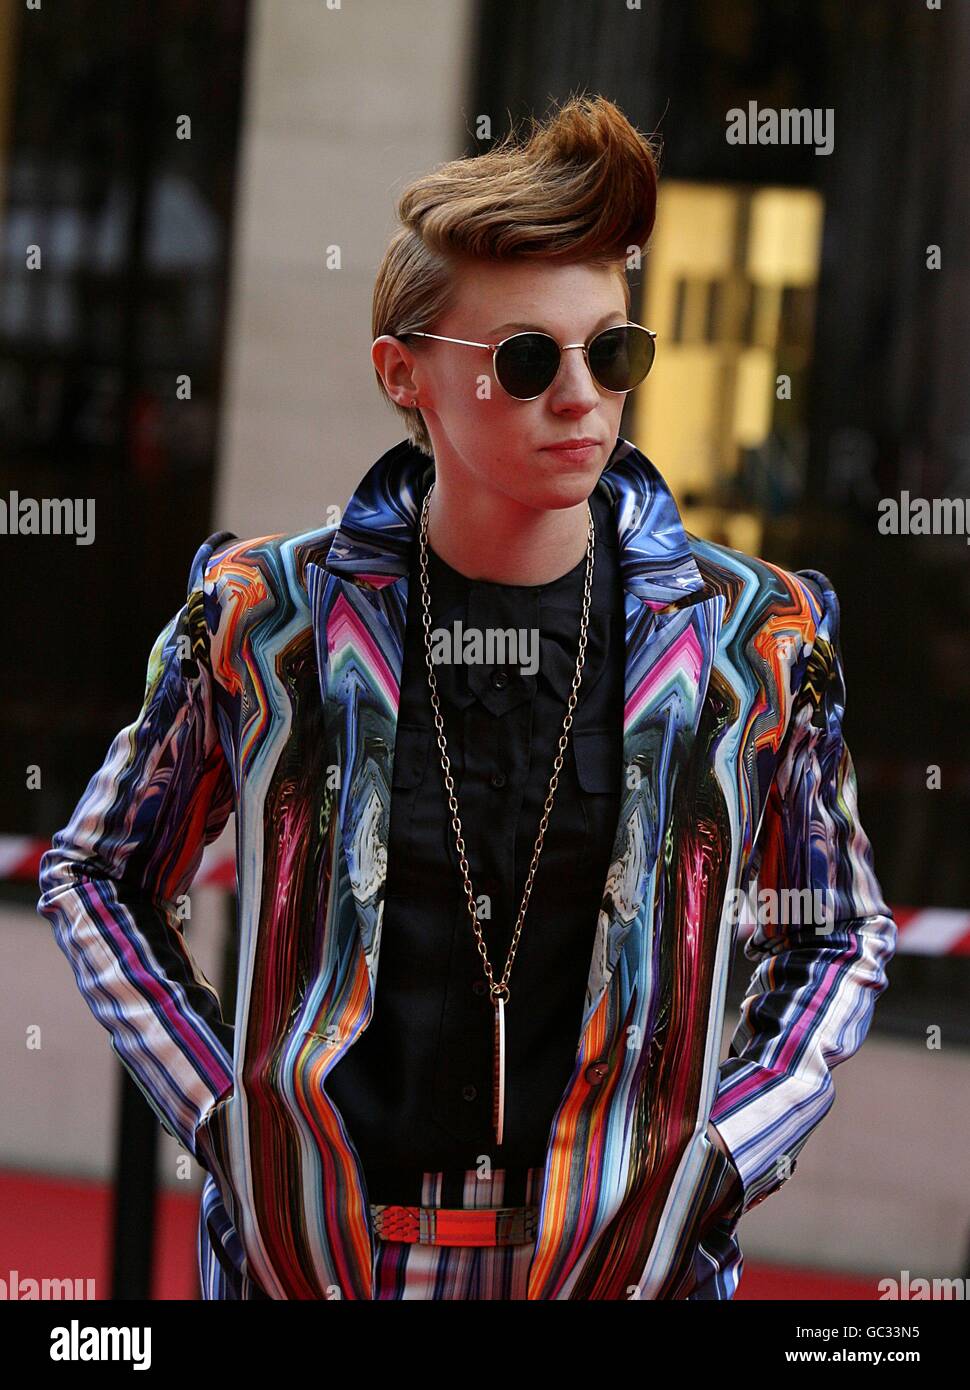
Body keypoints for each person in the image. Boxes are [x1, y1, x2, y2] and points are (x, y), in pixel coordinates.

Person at [36, 94, 896, 1300]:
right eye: (529, 360)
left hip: (617, 1274)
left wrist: (719, 1151)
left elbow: (838, 929)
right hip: (319, 1269)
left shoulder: (749, 637)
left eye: (613, 351)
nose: (583, 398)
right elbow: (101, 869)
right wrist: (226, 1110)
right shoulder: (265, 617)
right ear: (405, 375)